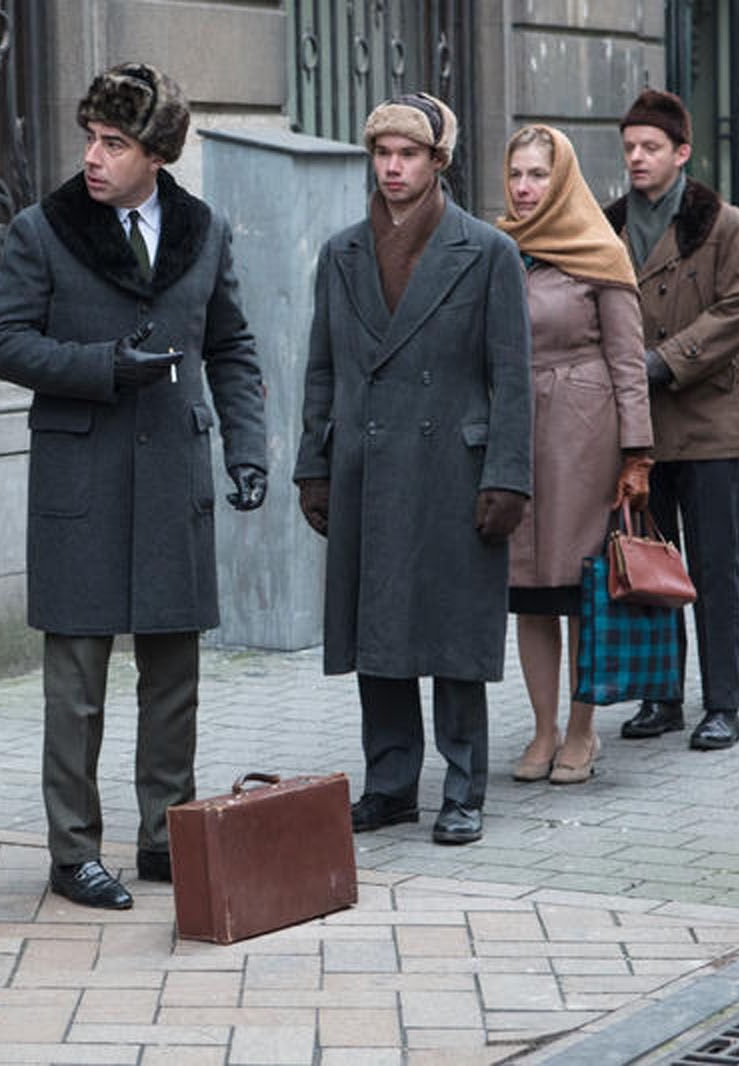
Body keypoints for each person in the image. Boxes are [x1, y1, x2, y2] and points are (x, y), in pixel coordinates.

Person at [0, 63, 267, 910]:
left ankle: (164, 837)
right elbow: (3, 343)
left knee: (173, 679)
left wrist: (247, 449)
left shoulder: (202, 230)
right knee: (75, 687)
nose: (93, 157)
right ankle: (73, 853)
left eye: (115, 143)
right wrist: (103, 365)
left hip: (174, 474)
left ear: (157, 154)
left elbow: (231, 346)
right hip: (82, 480)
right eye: (91, 138)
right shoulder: (43, 230)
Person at [294, 93, 533, 845]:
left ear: (438, 162)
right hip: (367, 463)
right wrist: (313, 464)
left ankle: (463, 788)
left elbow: (512, 377)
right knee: (379, 629)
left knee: (453, 634)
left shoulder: (487, 251)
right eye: (382, 153)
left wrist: (508, 475)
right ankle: (391, 784)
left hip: (454, 468)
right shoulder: (342, 253)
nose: (392, 167)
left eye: (408, 154)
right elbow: (322, 368)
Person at [603, 89, 739, 751]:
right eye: (630, 148)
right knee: (649, 562)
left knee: (715, 567)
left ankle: (723, 702)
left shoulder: (723, 223)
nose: (638, 158)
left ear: (682, 152)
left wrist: (665, 361)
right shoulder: (608, 224)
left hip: (708, 420)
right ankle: (661, 696)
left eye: (651, 147)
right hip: (639, 426)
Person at [496, 125, 652, 785]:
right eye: (516, 174)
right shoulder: (499, 249)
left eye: (538, 174)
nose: (525, 187)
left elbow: (628, 360)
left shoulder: (598, 249)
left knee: (581, 586)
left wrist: (637, 452)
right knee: (529, 589)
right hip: (516, 430)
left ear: (561, 179)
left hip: (584, 436)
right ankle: (543, 728)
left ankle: (584, 730)